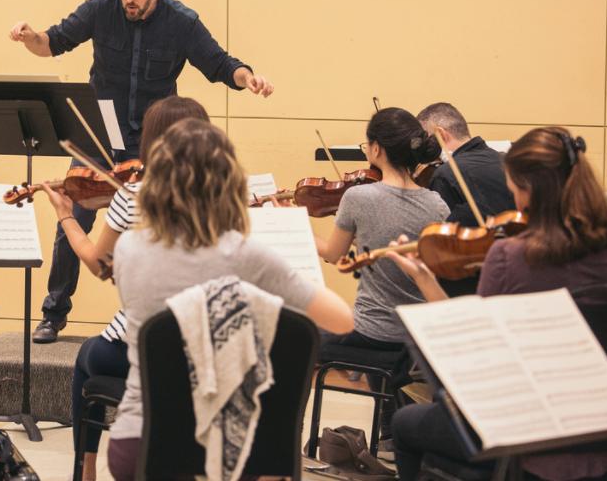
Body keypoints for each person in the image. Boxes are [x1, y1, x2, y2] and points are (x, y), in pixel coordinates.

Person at [10, 0, 274, 343]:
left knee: (150, 231)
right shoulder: (101, 9)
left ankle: (141, 321)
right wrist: (30, 37)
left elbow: (220, 64)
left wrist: (248, 77)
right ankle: (54, 312)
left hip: (152, 141)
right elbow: (53, 42)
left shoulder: (181, 21)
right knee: (74, 221)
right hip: (99, 132)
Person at [104, 119, 354, 479]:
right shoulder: (248, 256)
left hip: (140, 444)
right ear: (230, 185)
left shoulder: (127, 248)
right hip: (230, 450)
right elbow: (342, 320)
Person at [386, 127, 607, 481]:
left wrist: (424, 280)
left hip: (522, 437)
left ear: (529, 192)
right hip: (601, 433)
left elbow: (478, 351)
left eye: (514, 191)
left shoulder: (510, 256)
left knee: (404, 424)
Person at [40, 95, 209, 481]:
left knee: (88, 355)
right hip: (202, 352)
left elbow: (99, 265)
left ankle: (85, 471)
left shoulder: (133, 196)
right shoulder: (221, 199)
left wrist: (67, 217)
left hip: (142, 349)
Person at [313, 107, 449, 440]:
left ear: (376, 150)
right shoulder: (437, 205)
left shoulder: (358, 197)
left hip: (373, 335)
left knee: (301, 336)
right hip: (414, 340)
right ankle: (389, 429)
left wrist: (295, 223)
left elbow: (332, 254)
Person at [416, 102, 516, 296]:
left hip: (470, 287)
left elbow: (442, 243)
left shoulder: (446, 174)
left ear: (441, 134)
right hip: (514, 276)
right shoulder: (508, 162)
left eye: (426, 141)